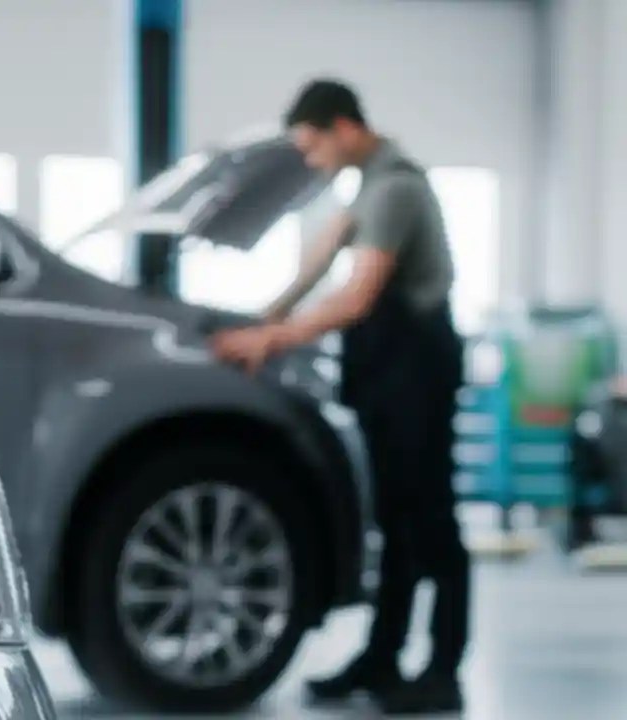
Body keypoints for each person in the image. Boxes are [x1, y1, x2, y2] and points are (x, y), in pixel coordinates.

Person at [212, 79, 470, 715]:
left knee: (430, 522)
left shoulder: (397, 188)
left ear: (343, 128)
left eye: (312, 146)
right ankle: (381, 661)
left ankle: (444, 670)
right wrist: (262, 316)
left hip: (417, 376)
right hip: (387, 378)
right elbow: (320, 262)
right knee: (396, 524)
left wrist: (270, 340)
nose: (310, 160)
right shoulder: (370, 186)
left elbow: (355, 298)